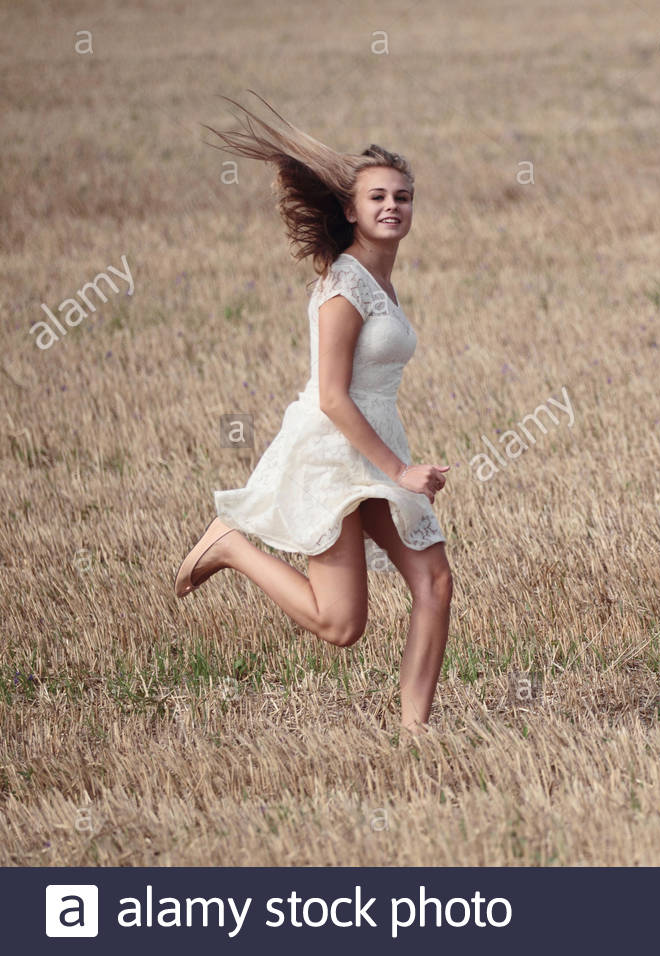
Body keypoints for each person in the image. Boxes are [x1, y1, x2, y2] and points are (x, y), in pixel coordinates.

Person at [174, 91, 453, 736]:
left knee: (434, 584)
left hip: (377, 440)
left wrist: (393, 463)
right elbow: (332, 396)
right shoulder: (344, 284)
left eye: (403, 196)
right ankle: (230, 546)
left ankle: (415, 733)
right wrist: (401, 471)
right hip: (332, 449)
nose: (393, 206)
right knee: (341, 625)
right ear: (352, 209)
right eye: (378, 196)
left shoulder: (382, 279)